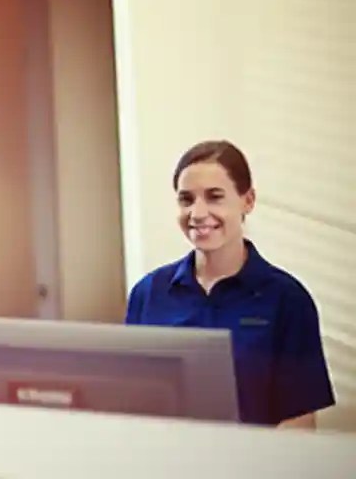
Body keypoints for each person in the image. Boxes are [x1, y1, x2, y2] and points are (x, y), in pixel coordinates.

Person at [125, 140, 335, 428]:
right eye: (186, 200)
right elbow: (131, 403)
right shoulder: (148, 293)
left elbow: (298, 422)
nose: (197, 213)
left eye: (214, 197)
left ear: (248, 200)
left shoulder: (287, 300)